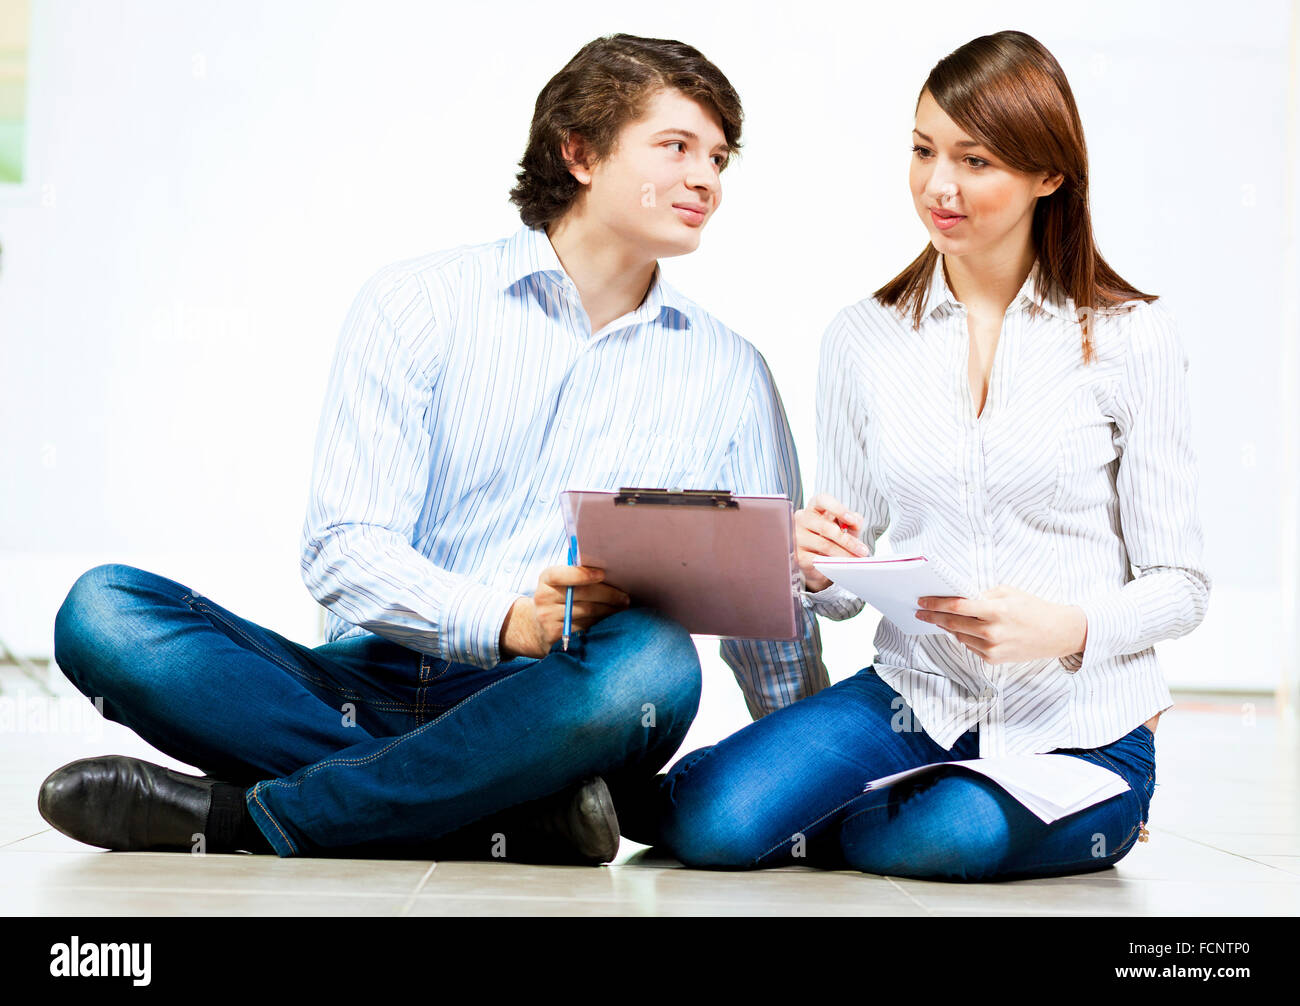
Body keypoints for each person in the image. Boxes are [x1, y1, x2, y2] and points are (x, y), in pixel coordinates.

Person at [38, 33, 829, 863]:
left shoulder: (731, 371)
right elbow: (342, 550)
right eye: (676, 147)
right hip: (355, 686)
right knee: (105, 613)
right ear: (580, 152)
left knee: (657, 667)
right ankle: (512, 815)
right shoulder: (417, 304)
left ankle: (257, 820)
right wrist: (508, 621)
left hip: (553, 699)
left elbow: (758, 605)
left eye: (719, 158)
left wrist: (811, 775)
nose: (706, 178)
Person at [644, 30, 1211, 880]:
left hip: (1080, 719)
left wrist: (1071, 627)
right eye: (922, 151)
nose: (937, 187)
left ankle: (1087, 811)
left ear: (1048, 175)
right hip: (916, 702)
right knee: (716, 825)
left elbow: (1183, 586)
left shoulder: (1132, 337)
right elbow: (838, 594)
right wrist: (818, 565)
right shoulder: (863, 339)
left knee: (949, 834)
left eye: (975, 161)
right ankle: (843, 793)